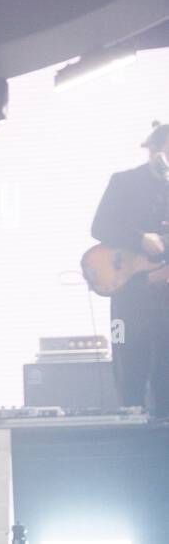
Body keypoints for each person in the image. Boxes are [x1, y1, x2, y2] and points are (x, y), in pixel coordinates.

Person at [91, 122, 169, 417]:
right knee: (128, 369)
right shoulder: (124, 182)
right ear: (155, 147)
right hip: (128, 298)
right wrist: (139, 238)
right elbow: (100, 227)